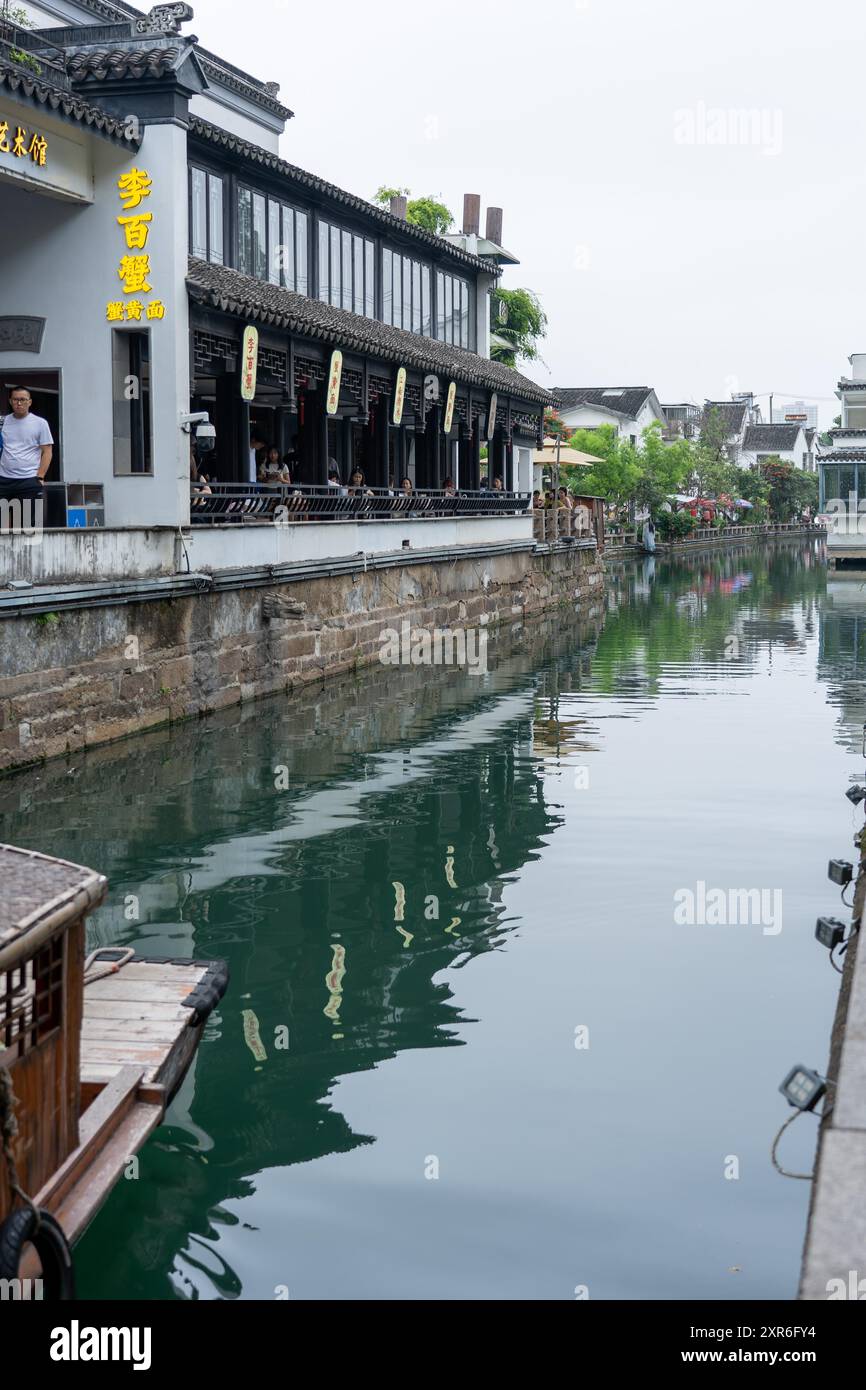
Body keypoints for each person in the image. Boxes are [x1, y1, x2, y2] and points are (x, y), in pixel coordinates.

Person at [0, 386, 53, 506]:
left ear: (30, 402)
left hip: (29, 479)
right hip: (3, 479)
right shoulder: (2, 422)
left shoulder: (40, 423)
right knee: (3, 521)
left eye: (23, 399)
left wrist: (40, 477)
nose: (19, 403)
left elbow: (47, 451)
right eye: (15, 399)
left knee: (29, 522)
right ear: (10, 401)